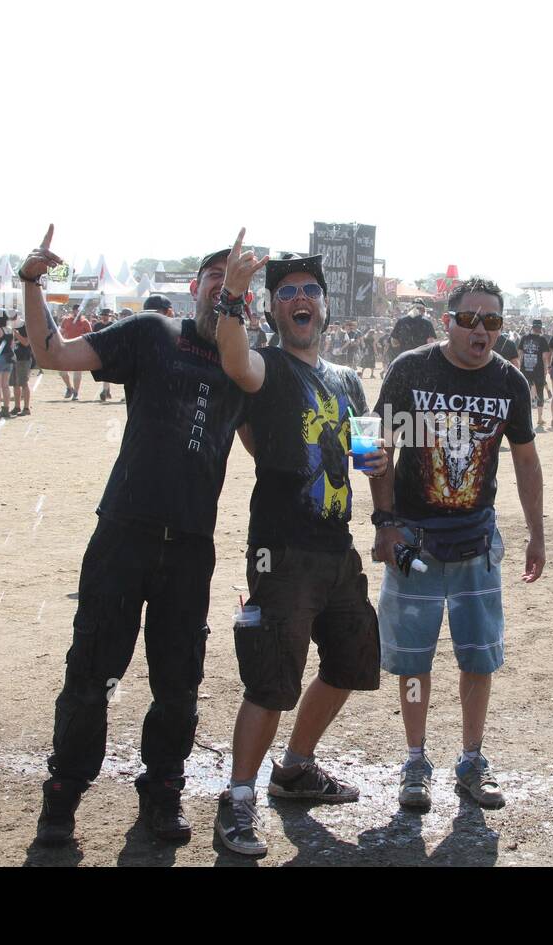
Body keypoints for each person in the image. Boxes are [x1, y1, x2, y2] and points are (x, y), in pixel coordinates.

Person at [17, 230, 248, 845]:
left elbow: (273, 451)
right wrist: (32, 284)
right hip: (125, 532)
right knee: (91, 674)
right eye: (215, 277)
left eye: (238, 282)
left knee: (179, 683)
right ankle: (60, 804)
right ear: (194, 286)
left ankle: (162, 798)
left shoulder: (243, 364)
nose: (225, 288)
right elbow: (51, 354)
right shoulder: (153, 333)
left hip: (192, 545)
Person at [213, 234, 386, 857]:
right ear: (274, 311)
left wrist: (385, 512)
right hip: (281, 549)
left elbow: (368, 456)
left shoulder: (348, 382)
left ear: (325, 309)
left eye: (310, 291)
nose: (300, 299)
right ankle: (236, 802)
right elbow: (235, 363)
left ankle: (294, 770)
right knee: (270, 679)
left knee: (353, 659)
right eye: (287, 293)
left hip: (337, 548)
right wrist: (233, 295)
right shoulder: (266, 365)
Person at [370, 276, 544, 813]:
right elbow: (378, 448)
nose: (480, 330)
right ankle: (416, 761)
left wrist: (538, 532)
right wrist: (384, 523)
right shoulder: (411, 369)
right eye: (470, 319)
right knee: (413, 660)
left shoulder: (509, 381)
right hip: (414, 543)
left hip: (476, 542)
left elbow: (526, 461)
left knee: (477, 657)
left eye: (491, 321)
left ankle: (471, 760)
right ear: (449, 321)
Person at [518, 319, 551, 428]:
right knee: (540, 393)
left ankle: (525, 418)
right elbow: (545, 357)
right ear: (540, 328)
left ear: (532, 327)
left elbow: (520, 354)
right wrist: (546, 370)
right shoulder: (542, 340)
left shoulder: (524, 338)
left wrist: (519, 367)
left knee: (525, 394)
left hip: (525, 370)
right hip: (538, 370)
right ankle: (540, 418)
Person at [58, 308, 92, 399]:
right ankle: (69, 388)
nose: (77, 312)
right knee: (62, 372)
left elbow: (90, 336)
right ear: (73, 311)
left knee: (77, 372)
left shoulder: (85, 322)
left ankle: (76, 393)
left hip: (79, 349)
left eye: (79, 310)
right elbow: (60, 332)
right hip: (67, 348)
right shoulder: (66, 320)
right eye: (75, 310)